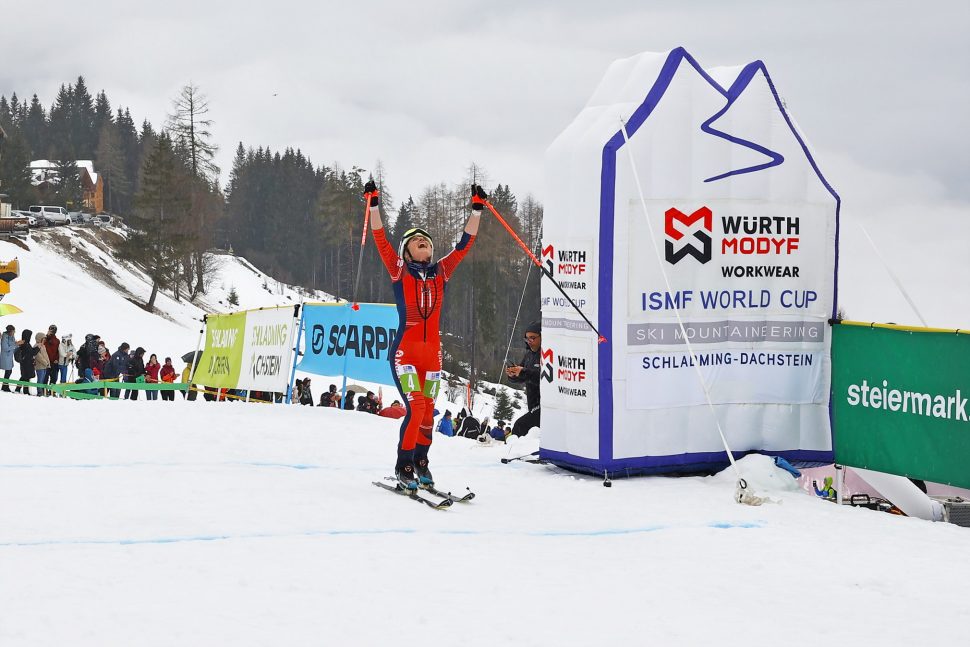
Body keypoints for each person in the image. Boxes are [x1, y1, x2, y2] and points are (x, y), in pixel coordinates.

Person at [368, 179, 483, 489]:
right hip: (405, 351)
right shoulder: (398, 269)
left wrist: (477, 209)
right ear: (407, 250)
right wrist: (374, 203)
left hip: (432, 353)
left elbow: (464, 245)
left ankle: (421, 461)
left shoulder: (441, 271)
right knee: (416, 406)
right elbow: (379, 236)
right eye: (417, 241)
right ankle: (403, 464)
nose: (424, 243)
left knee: (428, 415)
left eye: (428, 242)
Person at [506, 320, 542, 437]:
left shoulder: (547, 353)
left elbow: (543, 379)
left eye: (533, 338)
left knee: (520, 426)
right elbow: (523, 377)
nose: (529, 341)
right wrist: (513, 374)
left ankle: (515, 451)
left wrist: (523, 371)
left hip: (545, 404)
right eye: (527, 338)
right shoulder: (528, 355)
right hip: (532, 404)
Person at [14, 329, 36, 394]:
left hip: (25, 363)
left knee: (25, 377)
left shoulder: (24, 343)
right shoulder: (25, 344)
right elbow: (32, 352)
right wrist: (38, 348)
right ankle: (23, 390)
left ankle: (21, 389)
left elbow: (31, 351)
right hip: (26, 363)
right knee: (25, 377)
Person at [33, 332, 50, 396]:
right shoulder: (36, 346)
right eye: (43, 338)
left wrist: (48, 363)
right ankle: (39, 392)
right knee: (40, 380)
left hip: (44, 366)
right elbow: (39, 357)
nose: (44, 340)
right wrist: (46, 363)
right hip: (39, 366)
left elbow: (46, 356)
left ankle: (42, 391)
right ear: (40, 338)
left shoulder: (43, 346)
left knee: (43, 380)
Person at [1, 324, 16, 390]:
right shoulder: (4, 337)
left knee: (9, 371)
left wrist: (17, 344)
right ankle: (5, 386)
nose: (14, 333)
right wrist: (16, 345)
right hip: (5, 357)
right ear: (9, 331)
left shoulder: (12, 336)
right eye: (13, 331)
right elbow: (5, 348)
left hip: (9, 357)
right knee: (8, 371)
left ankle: (5, 386)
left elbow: (12, 345)